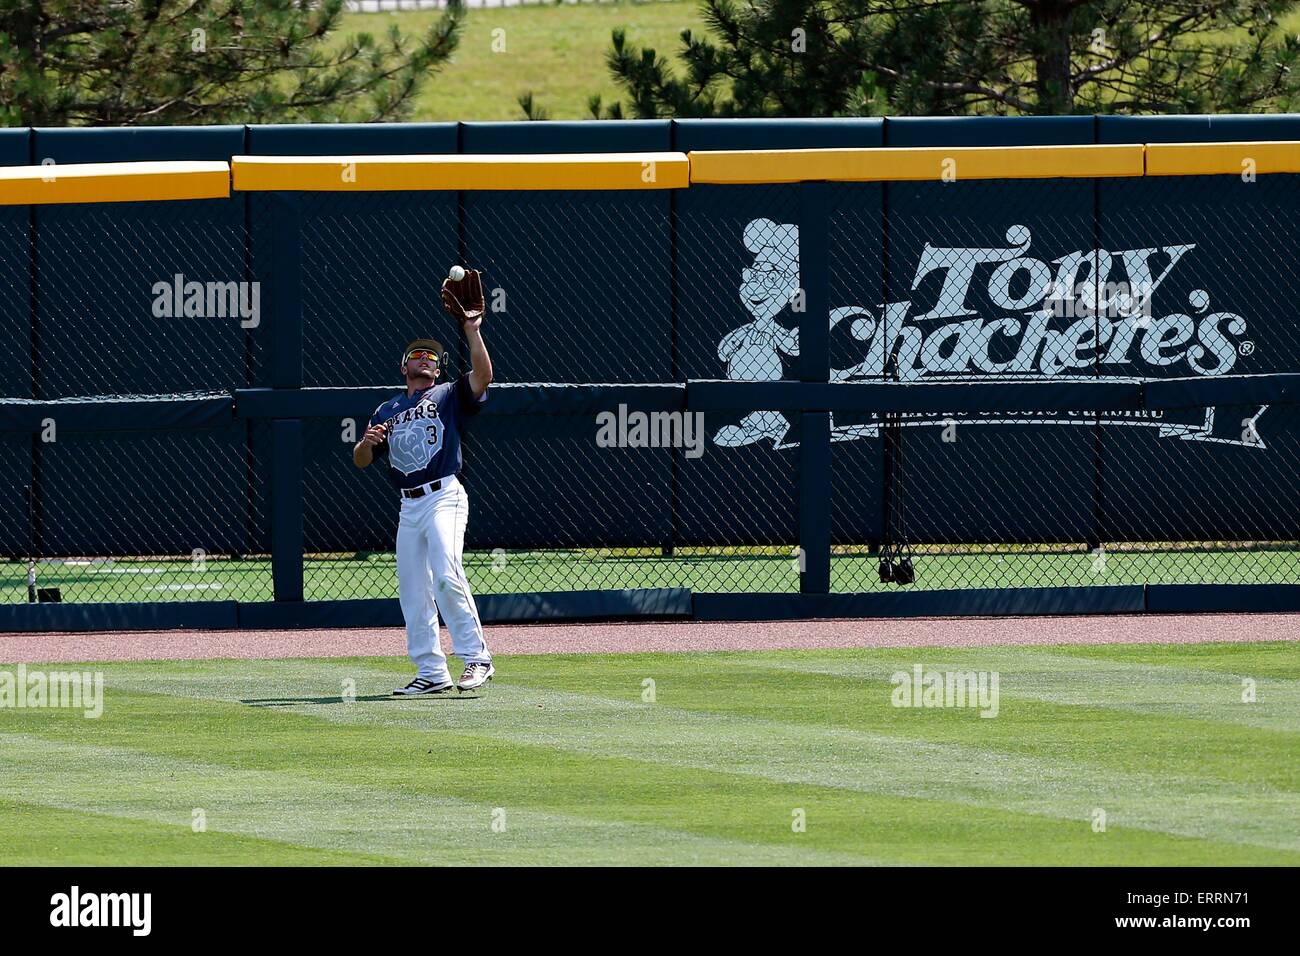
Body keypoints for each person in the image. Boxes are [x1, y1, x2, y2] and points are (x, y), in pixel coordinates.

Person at [352, 270, 494, 695]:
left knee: (447, 573)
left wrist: (472, 331)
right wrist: (366, 441)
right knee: (414, 590)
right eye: (418, 355)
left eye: (432, 357)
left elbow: (484, 376)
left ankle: (477, 657)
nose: (426, 359)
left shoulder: (449, 394)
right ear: (404, 366)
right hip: (408, 505)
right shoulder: (387, 408)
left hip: (444, 496)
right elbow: (361, 461)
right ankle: (432, 671)